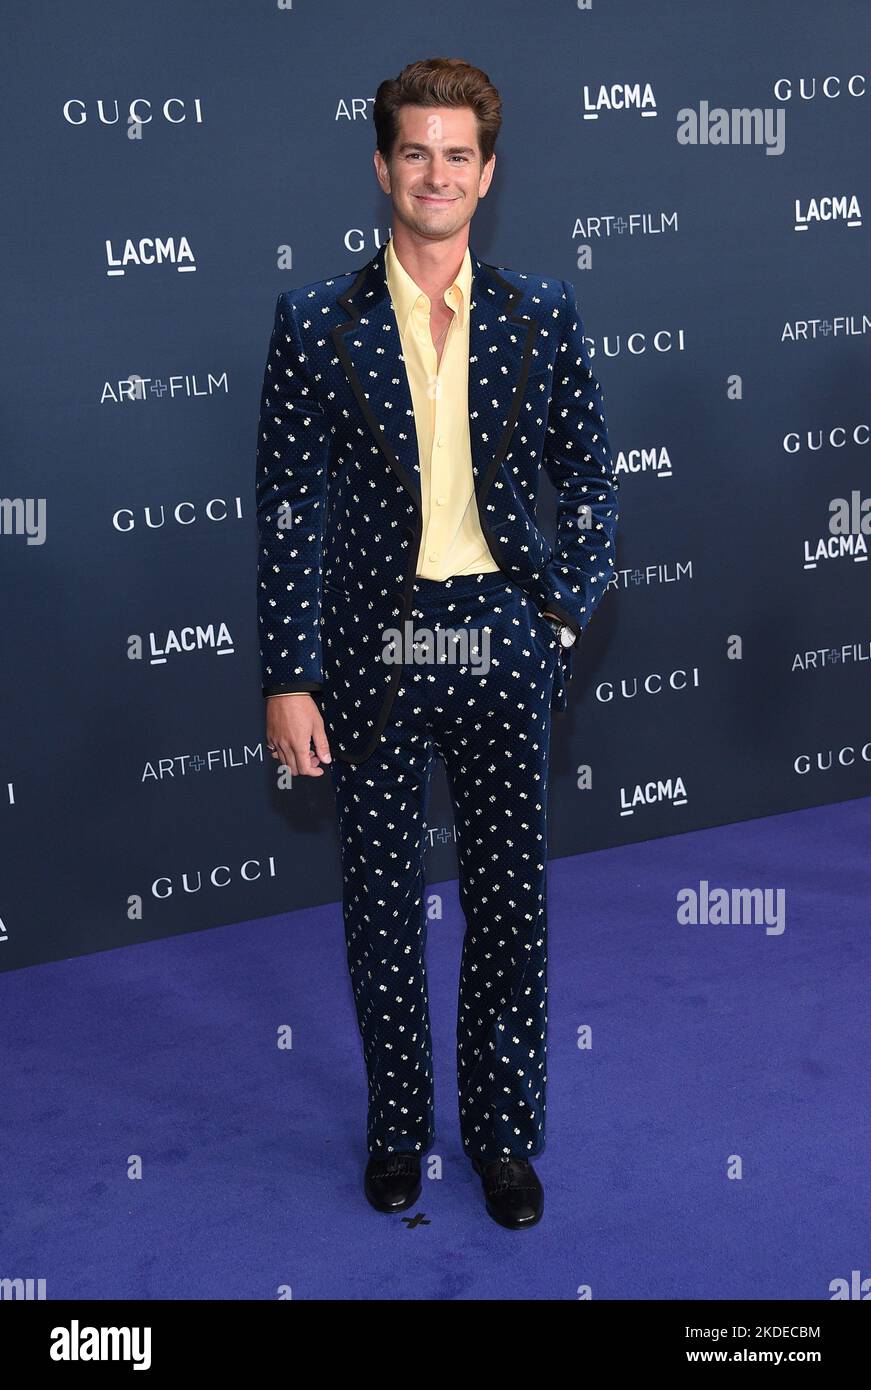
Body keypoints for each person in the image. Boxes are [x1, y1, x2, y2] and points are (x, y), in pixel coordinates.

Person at [255, 57, 619, 1229]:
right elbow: (289, 506)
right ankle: (399, 1131)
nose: (435, 172)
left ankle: (505, 1140)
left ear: (488, 172)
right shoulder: (314, 319)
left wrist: (557, 613)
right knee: (377, 905)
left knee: (509, 903)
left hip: (503, 636)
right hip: (373, 644)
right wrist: (288, 672)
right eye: (414, 150)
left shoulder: (542, 312)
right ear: (381, 166)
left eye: (457, 153)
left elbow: (593, 482)